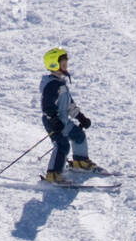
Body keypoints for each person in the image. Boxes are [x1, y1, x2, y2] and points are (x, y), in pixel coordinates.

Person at [39, 47, 101, 182]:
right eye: (63, 64)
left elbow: (69, 105)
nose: (66, 66)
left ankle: (80, 161)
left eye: (66, 63)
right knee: (62, 145)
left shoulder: (61, 84)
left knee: (78, 134)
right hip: (53, 122)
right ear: (54, 65)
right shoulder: (52, 85)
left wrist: (81, 117)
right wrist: (53, 120)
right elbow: (47, 107)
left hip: (63, 120)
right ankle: (53, 174)